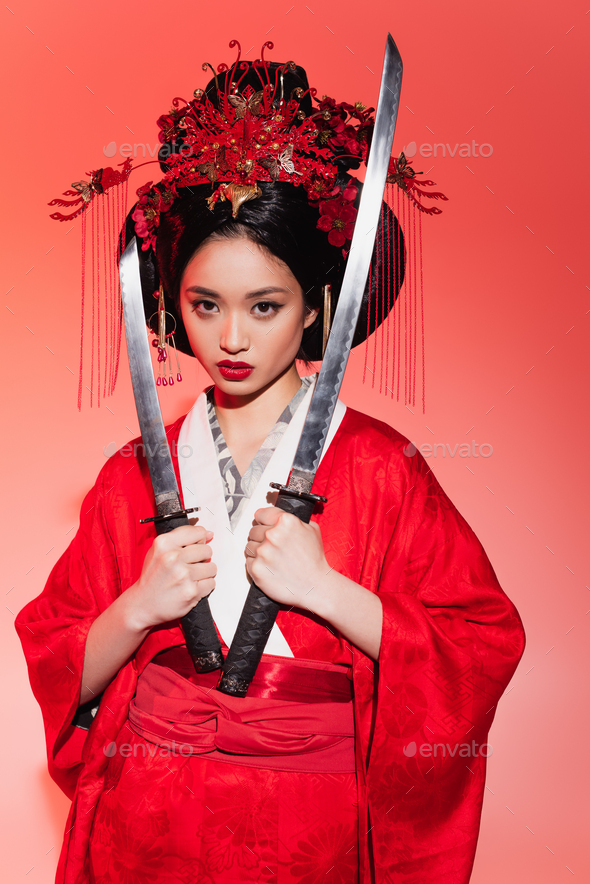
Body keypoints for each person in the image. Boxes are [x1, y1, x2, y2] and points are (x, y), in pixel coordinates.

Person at [16, 47, 525, 884]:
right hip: (148, 821)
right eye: (204, 305)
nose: (234, 339)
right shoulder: (131, 474)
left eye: (266, 306)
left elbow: (482, 645)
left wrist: (331, 593)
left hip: (311, 829)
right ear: (169, 303)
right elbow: (54, 653)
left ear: (320, 305)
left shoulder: (381, 466)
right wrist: (139, 606)